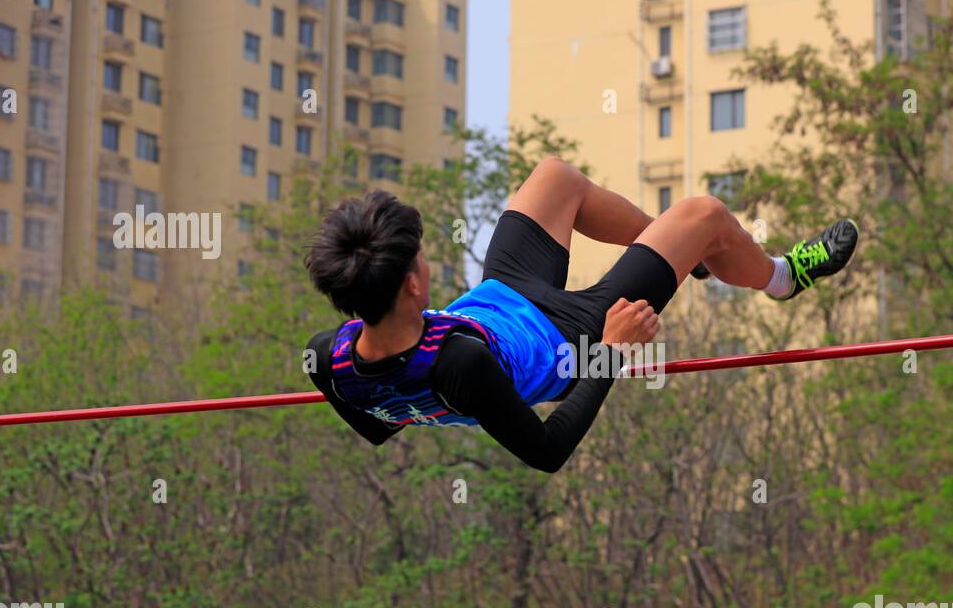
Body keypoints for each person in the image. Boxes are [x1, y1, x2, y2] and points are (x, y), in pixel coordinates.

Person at [304, 157, 858, 472]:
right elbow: (547, 452)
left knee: (554, 178)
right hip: (573, 339)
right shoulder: (460, 366)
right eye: (421, 255)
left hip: (496, 303)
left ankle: (696, 258)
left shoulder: (327, 357)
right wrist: (609, 353)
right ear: (413, 285)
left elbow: (379, 426)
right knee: (705, 214)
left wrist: (421, 403)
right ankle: (783, 277)